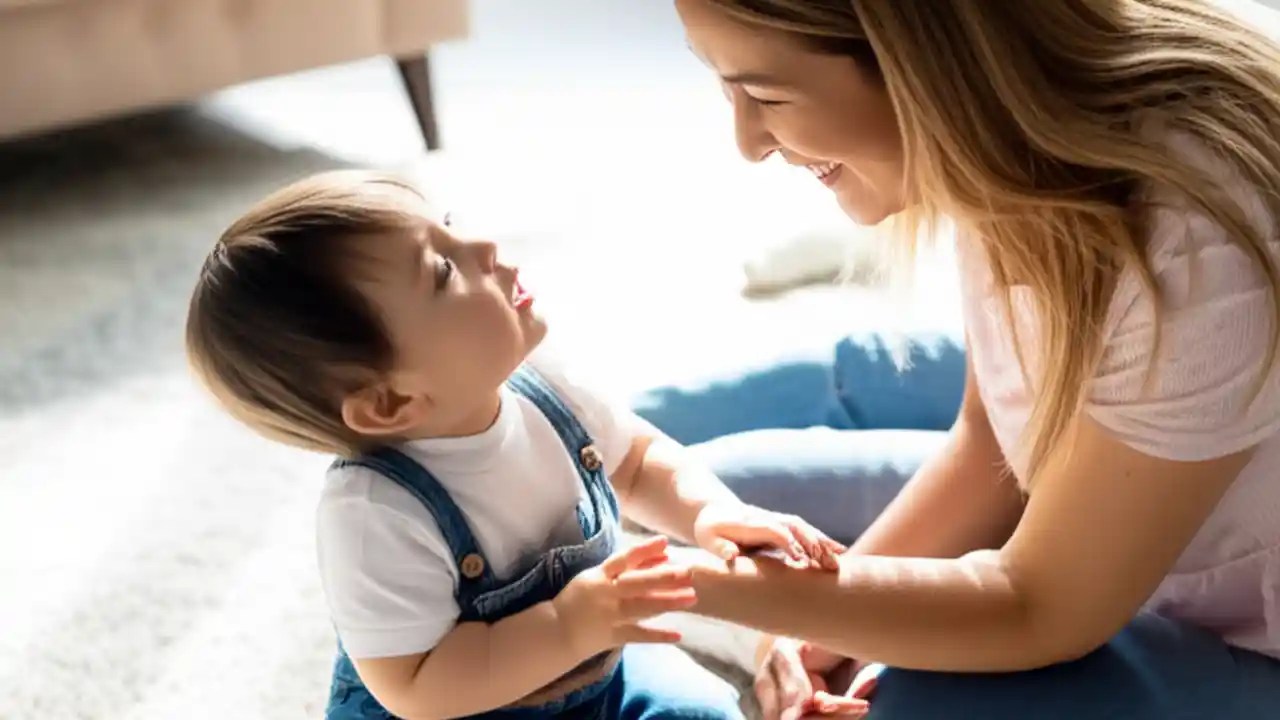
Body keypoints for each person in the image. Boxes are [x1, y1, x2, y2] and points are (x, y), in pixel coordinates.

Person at [652, 1, 1280, 717]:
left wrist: (706, 589)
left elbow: (1041, 606)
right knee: (701, 493)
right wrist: (809, 628)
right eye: (725, 86)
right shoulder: (1010, 138)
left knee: (899, 698)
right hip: (1083, 509)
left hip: (1241, 631)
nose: (747, 141)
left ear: (921, 67)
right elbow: (995, 443)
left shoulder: (1195, 243)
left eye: (766, 96)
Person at [182, 170, 845, 720]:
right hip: (465, 707)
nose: (484, 246)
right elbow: (415, 684)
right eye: (442, 269)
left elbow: (639, 462)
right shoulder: (373, 515)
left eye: (451, 222)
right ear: (390, 403)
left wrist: (706, 513)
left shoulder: (543, 385)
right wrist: (568, 625)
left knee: (703, 714)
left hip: (596, 662)